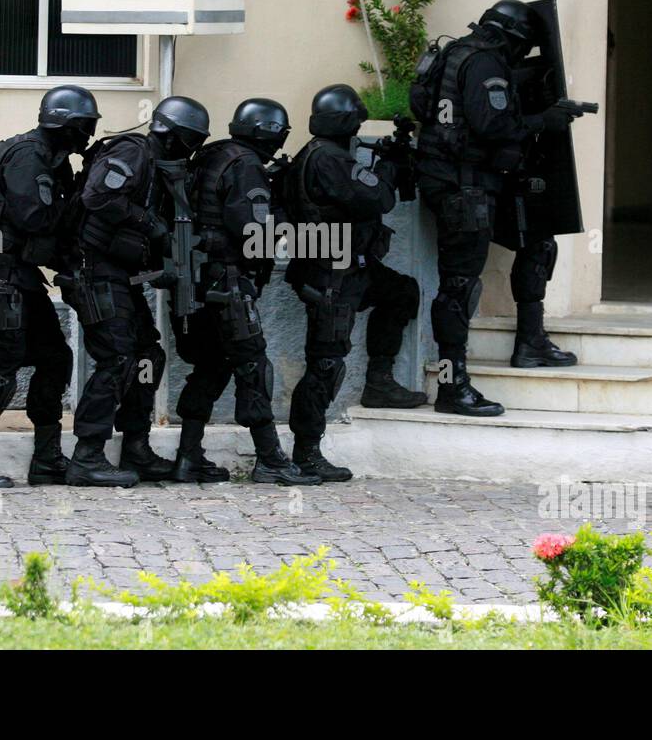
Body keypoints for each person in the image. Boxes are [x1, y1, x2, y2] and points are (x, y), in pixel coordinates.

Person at [415, 0, 581, 418]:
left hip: (467, 177)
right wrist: (545, 120)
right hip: (464, 184)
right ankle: (453, 387)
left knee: (539, 237)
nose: (520, 57)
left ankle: (531, 341)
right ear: (512, 39)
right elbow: (493, 125)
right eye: (522, 49)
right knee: (458, 287)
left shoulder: (455, 51)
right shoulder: (486, 64)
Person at [59, 96, 210, 488]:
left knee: (147, 355)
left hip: (120, 276)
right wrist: (152, 225)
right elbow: (99, 197)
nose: (190, 150)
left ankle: (136, 446)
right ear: (172, 134)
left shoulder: (160, 168)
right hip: (94, 273)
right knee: (117, 359)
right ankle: (87, 455)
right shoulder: (132, 151)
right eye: (190, 139)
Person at [169, 99, 318, 486]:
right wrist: (284, 214)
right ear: (269, 132)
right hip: (228, 281)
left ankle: (188, 455)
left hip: (203, 280)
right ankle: (269, 458)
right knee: (253, 366)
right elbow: (252, 229)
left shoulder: (213, 154)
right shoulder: (246, 164)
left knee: (212, 365)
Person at [283, 85, 426, 483]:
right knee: (326, 362)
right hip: (331, 274)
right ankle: (306, 451)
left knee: (401, 292)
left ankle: (379, 380)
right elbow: (377, 198)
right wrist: (386, 170)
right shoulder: (328, 159)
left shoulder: (319, 154)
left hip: (349, 267)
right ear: (346, 122)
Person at [0, 87, 93, 489]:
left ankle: (47, 459)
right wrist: (77, 208)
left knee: (54, 359)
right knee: (0, 370)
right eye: (83, 126)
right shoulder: (28, 156)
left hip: (23, 277)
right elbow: (35, 218)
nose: (86, 135)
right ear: (65, 124)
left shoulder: (53, 159)